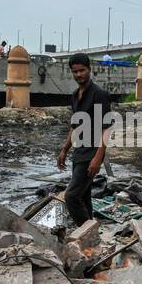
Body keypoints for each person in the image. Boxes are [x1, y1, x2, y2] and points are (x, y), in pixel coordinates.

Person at [57, 53, 112, 227]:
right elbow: (75, 126)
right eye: (75, 72)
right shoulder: (75, 95)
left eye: (82, 70)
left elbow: (107, 129)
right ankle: (91, 233)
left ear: (89, 70)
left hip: (92, 153)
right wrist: (65, 150)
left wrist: (98, 158)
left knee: (71, 196)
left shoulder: (99, 95)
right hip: (79, 152)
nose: (79, 74)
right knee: (83, 196)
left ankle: (88, 232)